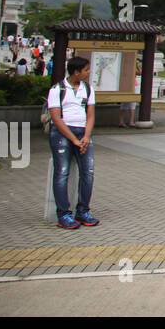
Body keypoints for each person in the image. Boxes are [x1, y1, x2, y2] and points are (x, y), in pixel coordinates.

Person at [47, 56, 98, 229]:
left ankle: (83, 211)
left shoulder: (88, 89)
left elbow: (90, 114)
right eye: (85, 70)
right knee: (62, 173)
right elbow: (56, 117)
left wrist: (86, 136)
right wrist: (73, 139)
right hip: (63, 133)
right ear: (76, 72)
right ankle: (63, 214)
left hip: (83, 132)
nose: (88, 72)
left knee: (88, 172)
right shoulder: (57, 89)